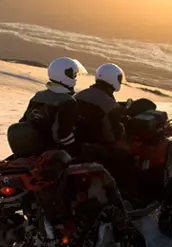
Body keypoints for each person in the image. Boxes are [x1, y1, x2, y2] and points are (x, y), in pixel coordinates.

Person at [75, 63, 139, 203]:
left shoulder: (79, 94)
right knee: (130, 157)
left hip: (76, 145)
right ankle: (127, 198)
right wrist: (123, 128)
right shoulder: (109, 104)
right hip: (96, 148)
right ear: (113, 80)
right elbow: (112, 137)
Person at [16, 57, 86, 156]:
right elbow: (63, 136)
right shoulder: (68, 101)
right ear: (65, 76)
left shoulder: (38, 96)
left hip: (32, 149)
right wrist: (78, 148)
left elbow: (23, 122)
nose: (75, 79)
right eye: (74, 75)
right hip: (52, 152)